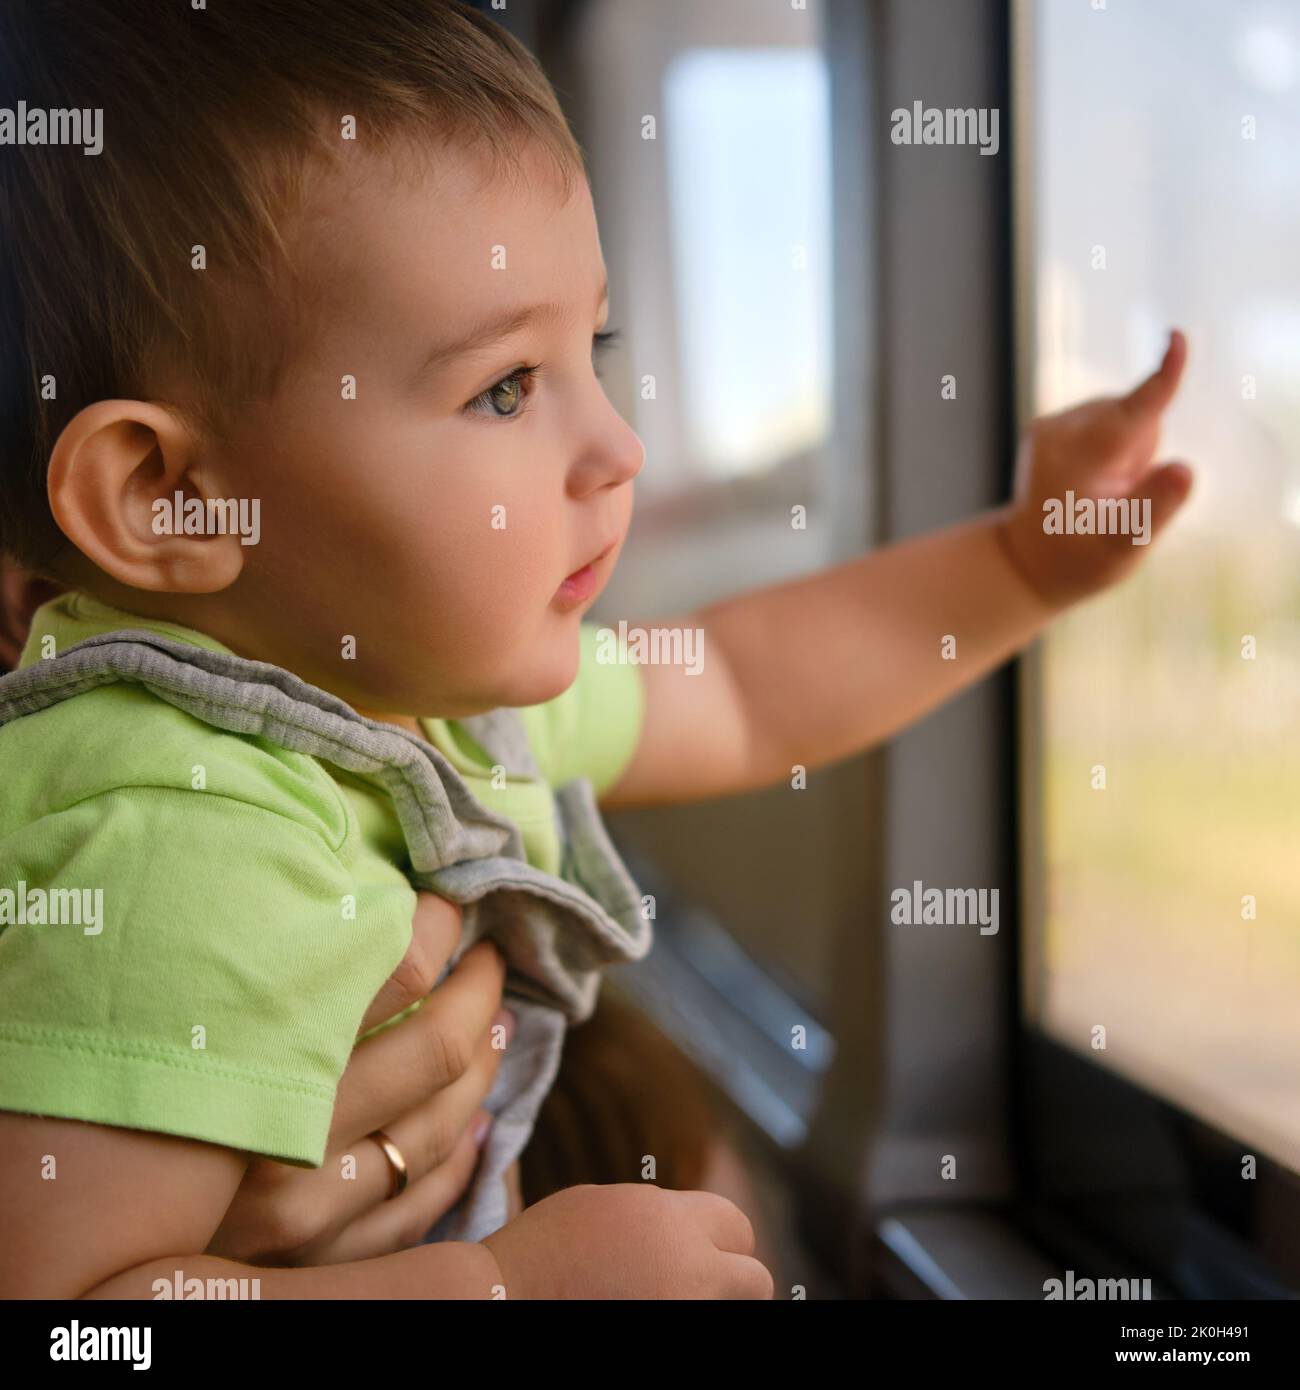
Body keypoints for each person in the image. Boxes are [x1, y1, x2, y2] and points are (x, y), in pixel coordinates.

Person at [0, 0, 1190, 1298]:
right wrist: (503, 1288)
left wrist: (1018, 561)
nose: (619, 448)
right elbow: (78, 1327)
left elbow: (745, 687)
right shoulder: (173, 839)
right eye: (504, 386)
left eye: (595, 350)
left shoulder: (408, 705)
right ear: (169, 498)